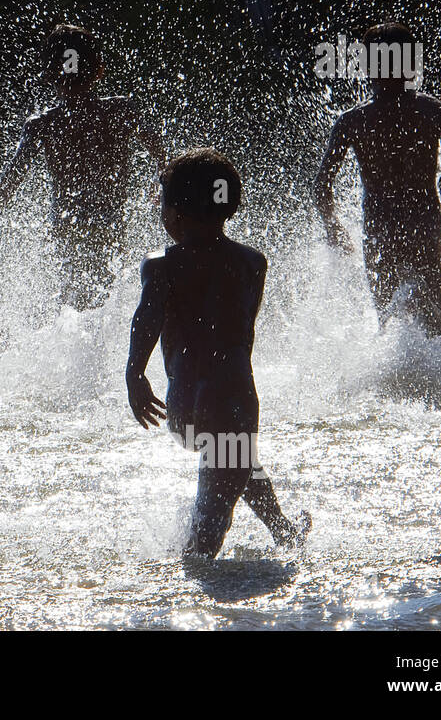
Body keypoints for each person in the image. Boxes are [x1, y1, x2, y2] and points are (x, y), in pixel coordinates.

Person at [126, 149, 307, 558]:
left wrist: (135, 375)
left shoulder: (160, 267)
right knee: (223, 483)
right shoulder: (252, 264)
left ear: (174, 211)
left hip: (184, 407)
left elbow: (146, 321)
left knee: (228, 469)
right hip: (231, 402)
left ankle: (281, 530)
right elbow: (240, 336)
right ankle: (272, 539)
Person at [314, 21, 441, 351]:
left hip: (380, 232)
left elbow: (322, 187)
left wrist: (333, 228)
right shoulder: (429, 111)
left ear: (365, 66)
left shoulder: (354, 120)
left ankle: (395, 392)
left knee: (390, 327)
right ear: (412, 65)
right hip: (423, 229)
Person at [0, 24, 166, 310]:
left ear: (48, 75)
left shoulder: (42, 125)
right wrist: (161, 183)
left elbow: (10, 179)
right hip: (109, 221)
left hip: (67, 226)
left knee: (73, 298)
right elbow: (166, 158)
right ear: (100, 70)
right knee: (105, 294)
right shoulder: (123, 111)